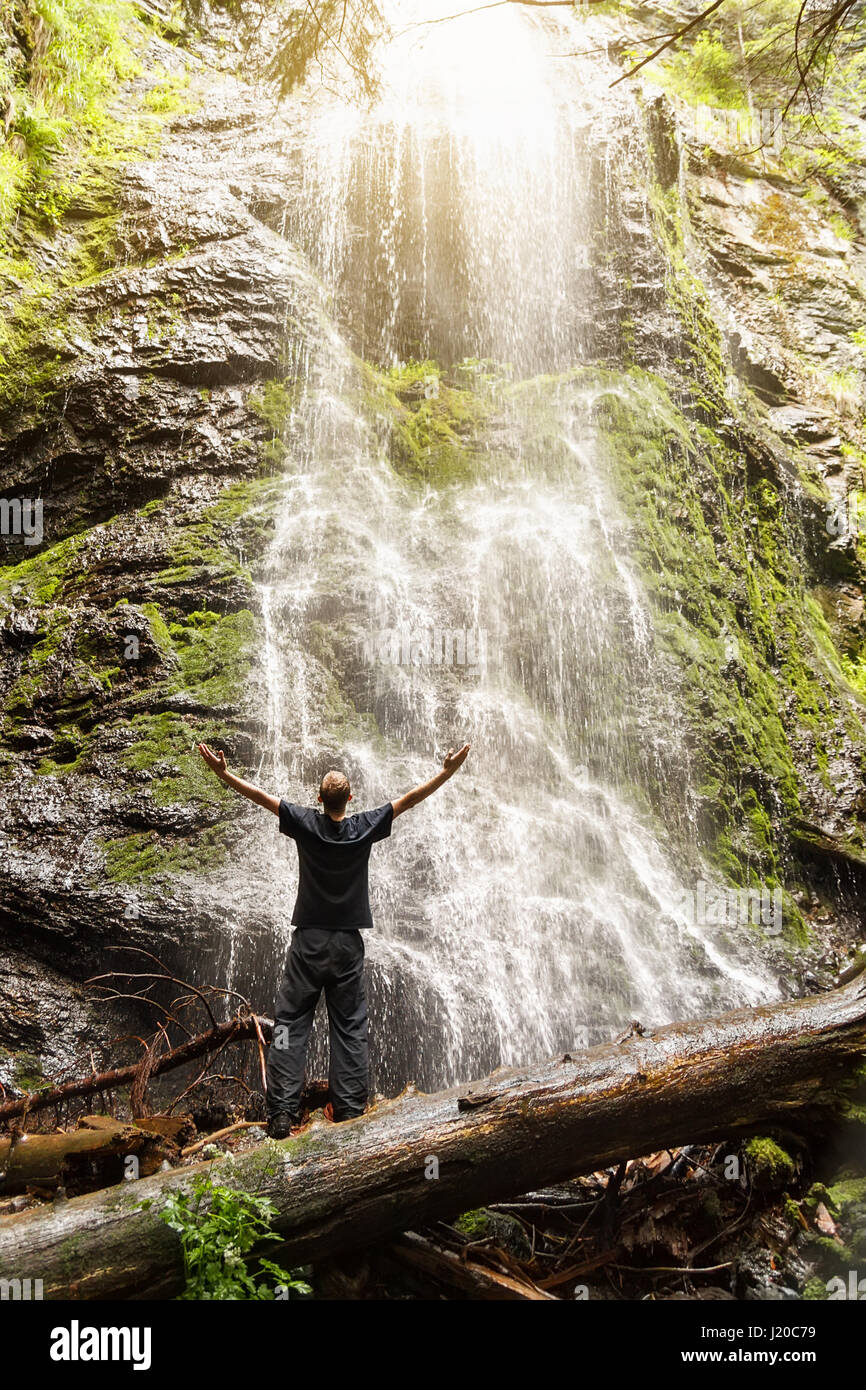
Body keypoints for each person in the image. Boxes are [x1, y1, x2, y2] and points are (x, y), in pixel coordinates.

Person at [197, 740, 471, 1138]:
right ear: (351, 798)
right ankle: (349, 1111)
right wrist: (446, 773)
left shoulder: (306, 823)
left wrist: (223, 774)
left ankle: (281, 1115)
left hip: (308, 944)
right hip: (346, 946)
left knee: (290, 1024)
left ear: (319, 798)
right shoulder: (363, 828)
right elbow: (408, 800)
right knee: (349, 1027)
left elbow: (261, 797)